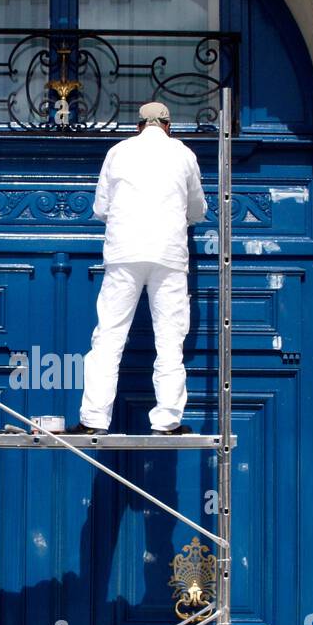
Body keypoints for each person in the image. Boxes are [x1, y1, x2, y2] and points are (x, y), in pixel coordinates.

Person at [69, 101, 207, 435]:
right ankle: (167, 420)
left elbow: (101, 208)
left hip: (124, 253)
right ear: (169, 126)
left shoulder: (118, 151)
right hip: (169, 255)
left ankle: (93, 420)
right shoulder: (184, 154)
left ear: (138, 126)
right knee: (170, 339)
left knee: (108, 338)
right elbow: (198, 210)